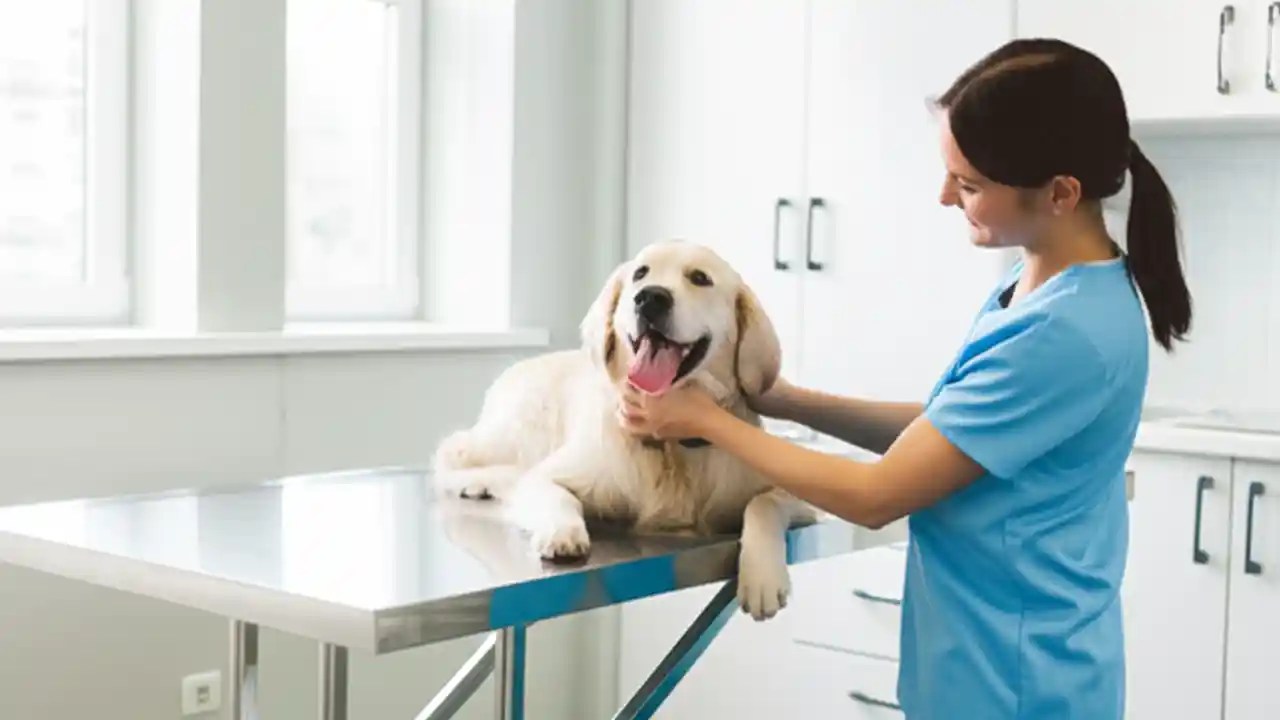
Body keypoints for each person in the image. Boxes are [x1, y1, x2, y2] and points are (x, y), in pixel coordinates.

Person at [618, 38, 1192, 719]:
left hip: (1017, 684)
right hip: (985, 663)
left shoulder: (1067, 332)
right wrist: (784, 400)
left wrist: (706, 421)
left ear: (1060, 193)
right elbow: (948, 430)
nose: (945, 196)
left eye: (969, 184)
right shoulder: (1038, 283)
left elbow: (876, 495)